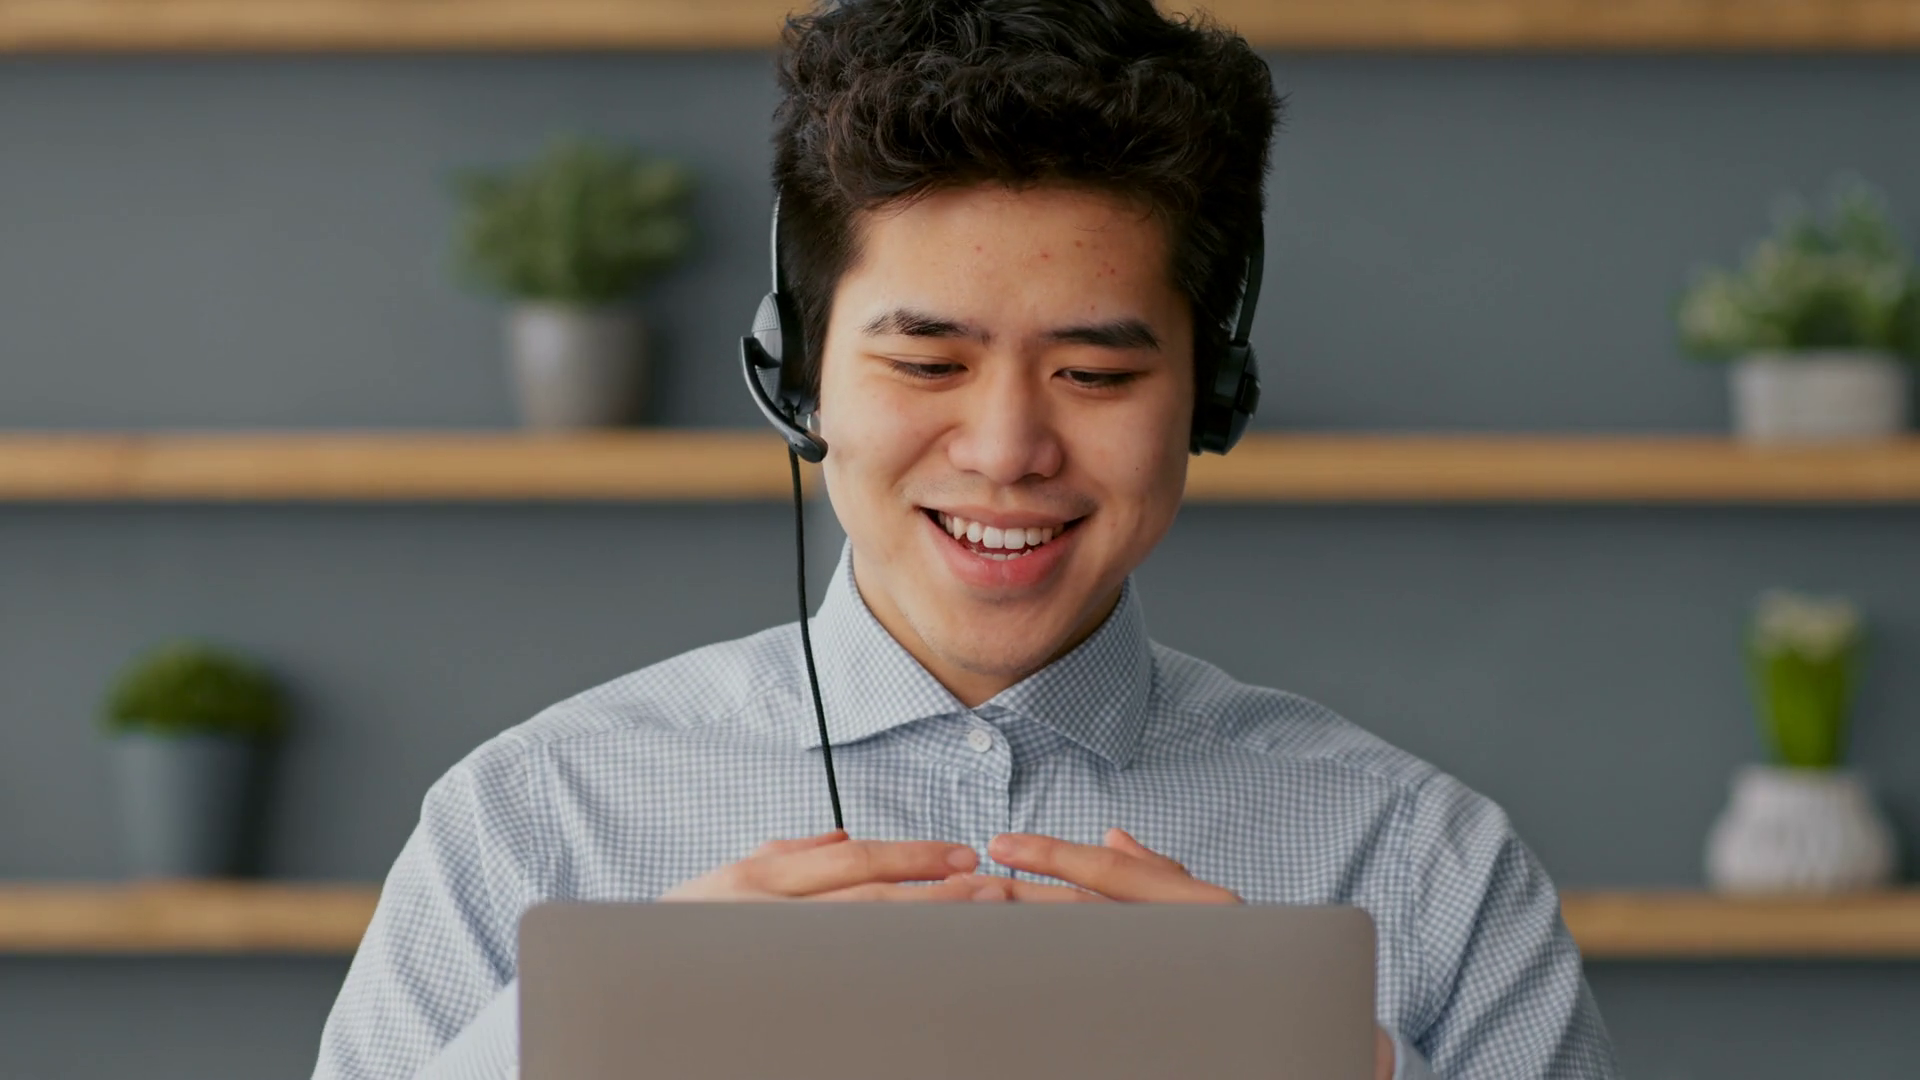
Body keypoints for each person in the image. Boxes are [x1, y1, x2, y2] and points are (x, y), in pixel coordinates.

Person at [312, 1, 1618, 1077]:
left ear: (1209, 399)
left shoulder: (1428, 868)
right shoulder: (534, 825)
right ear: (798, 378)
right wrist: (573, 1048)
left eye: (1096, 378)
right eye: (927, 361)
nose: (1006, 450)